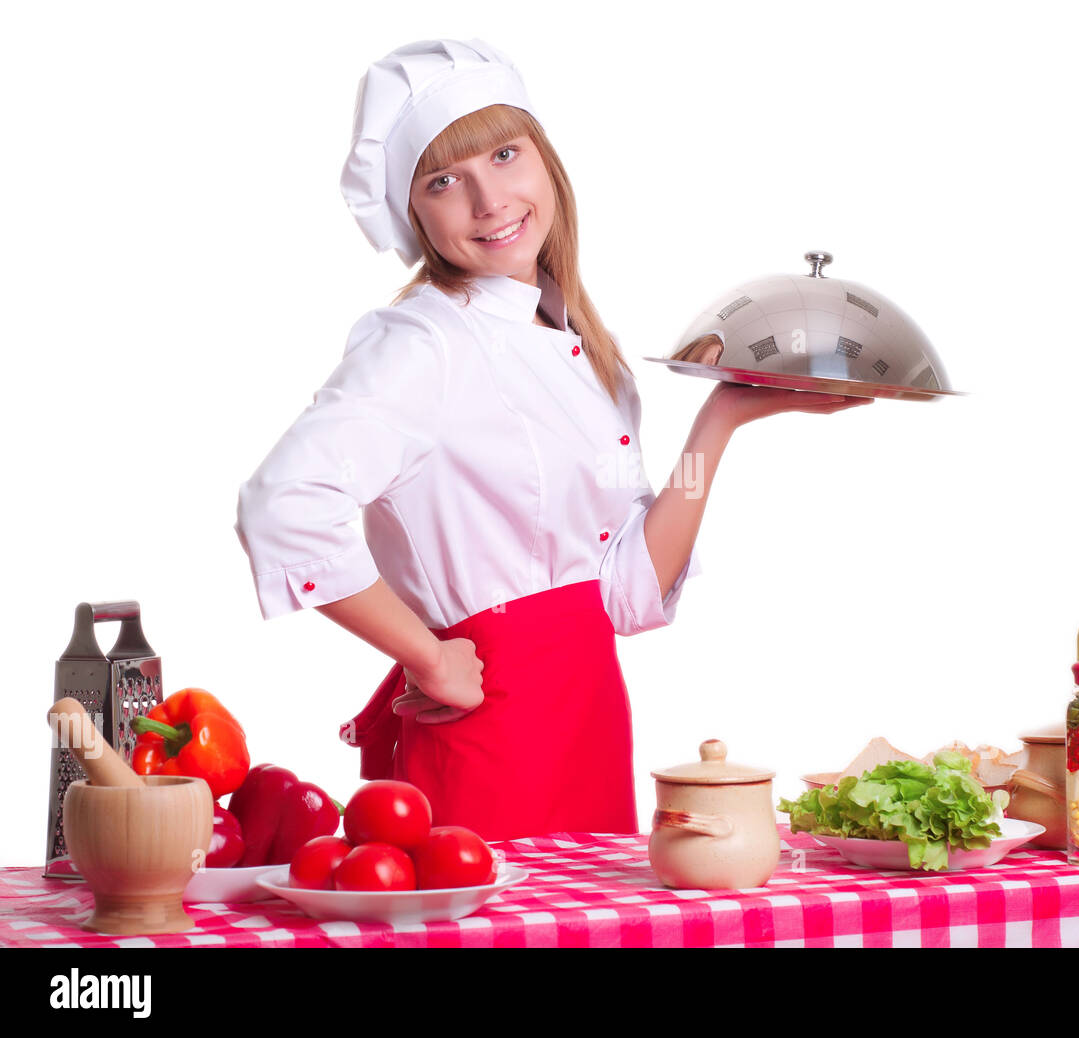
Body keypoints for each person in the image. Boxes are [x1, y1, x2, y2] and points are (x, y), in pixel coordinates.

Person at [234, 38, 871, 842]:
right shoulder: (422, 342)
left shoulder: (579, 350)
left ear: (546, 159)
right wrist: (427, 657)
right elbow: (281, 507)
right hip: (488, 733)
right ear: (415, 213)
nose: (489, 198)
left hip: (589, 715)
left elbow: (625, 594)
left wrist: (724, 417)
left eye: (505, 154)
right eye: (444, 180)